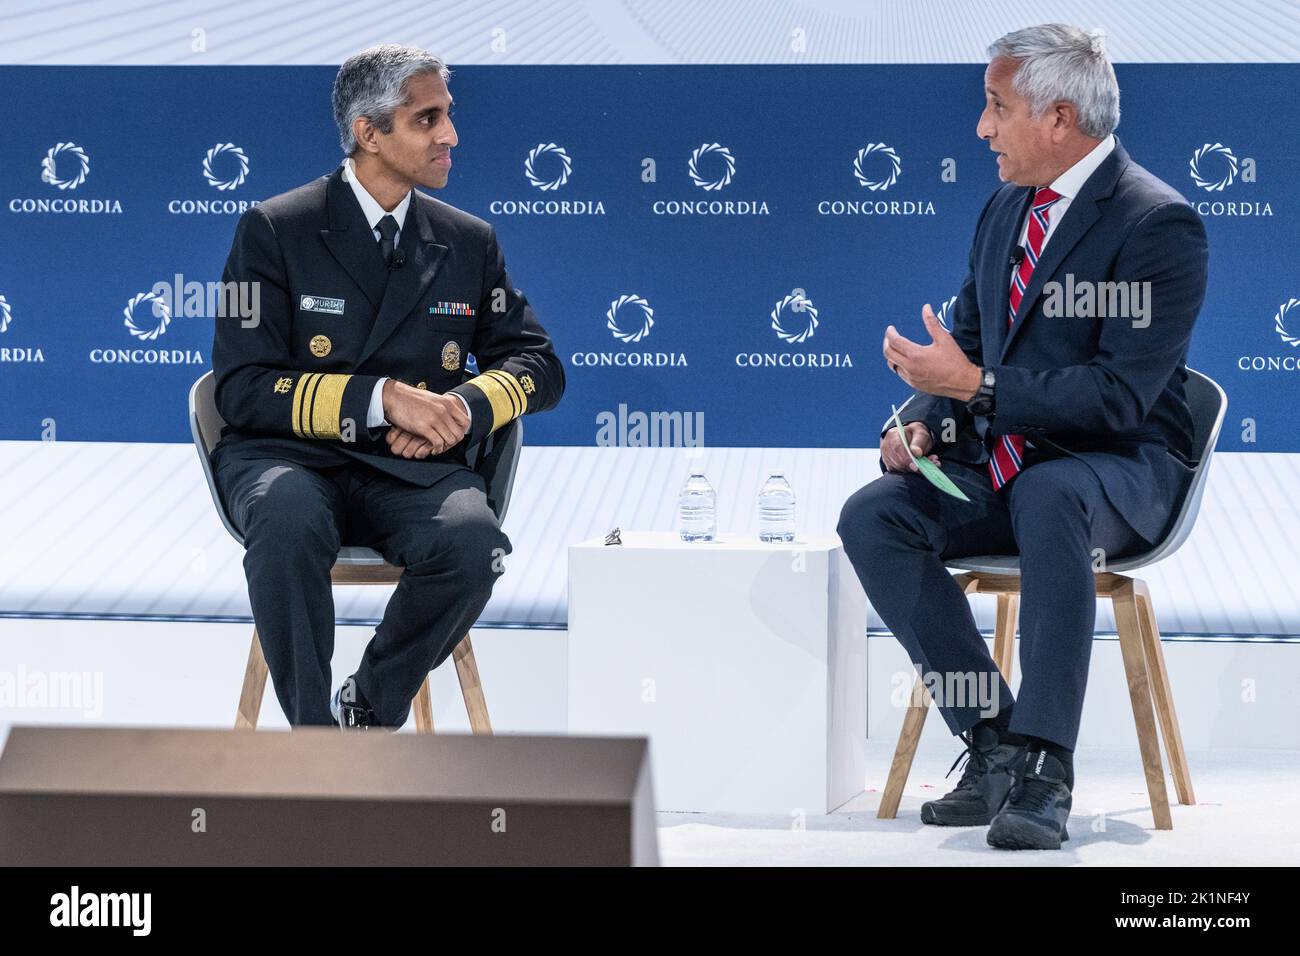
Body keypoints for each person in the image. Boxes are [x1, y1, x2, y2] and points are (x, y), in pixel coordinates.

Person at [837, 24, 1207, 849]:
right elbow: (968, 343)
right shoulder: (1007, 208)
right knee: (874, 514)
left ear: (1059, 118)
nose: (980, 128)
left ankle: (1047, 764)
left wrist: (975, 388)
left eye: (995, 107)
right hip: (1009, 466)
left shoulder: (1157, 224)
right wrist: (927, 422)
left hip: (1117, 472)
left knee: (1051, 490)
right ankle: (996, 737)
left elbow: (1120, 397)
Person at [209, 44, 564, 730]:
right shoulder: (274, 228)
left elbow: (539, 365)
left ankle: (367, 709)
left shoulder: (468, 241)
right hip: (289, 457)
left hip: (411, 468)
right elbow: (241, 389)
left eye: (448, 117)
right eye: (427, 119)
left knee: (473, 544)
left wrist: (459, 408)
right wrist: (380, 399)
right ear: (369, 133)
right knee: (286, 524)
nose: (451, 135)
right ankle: (315, 748)